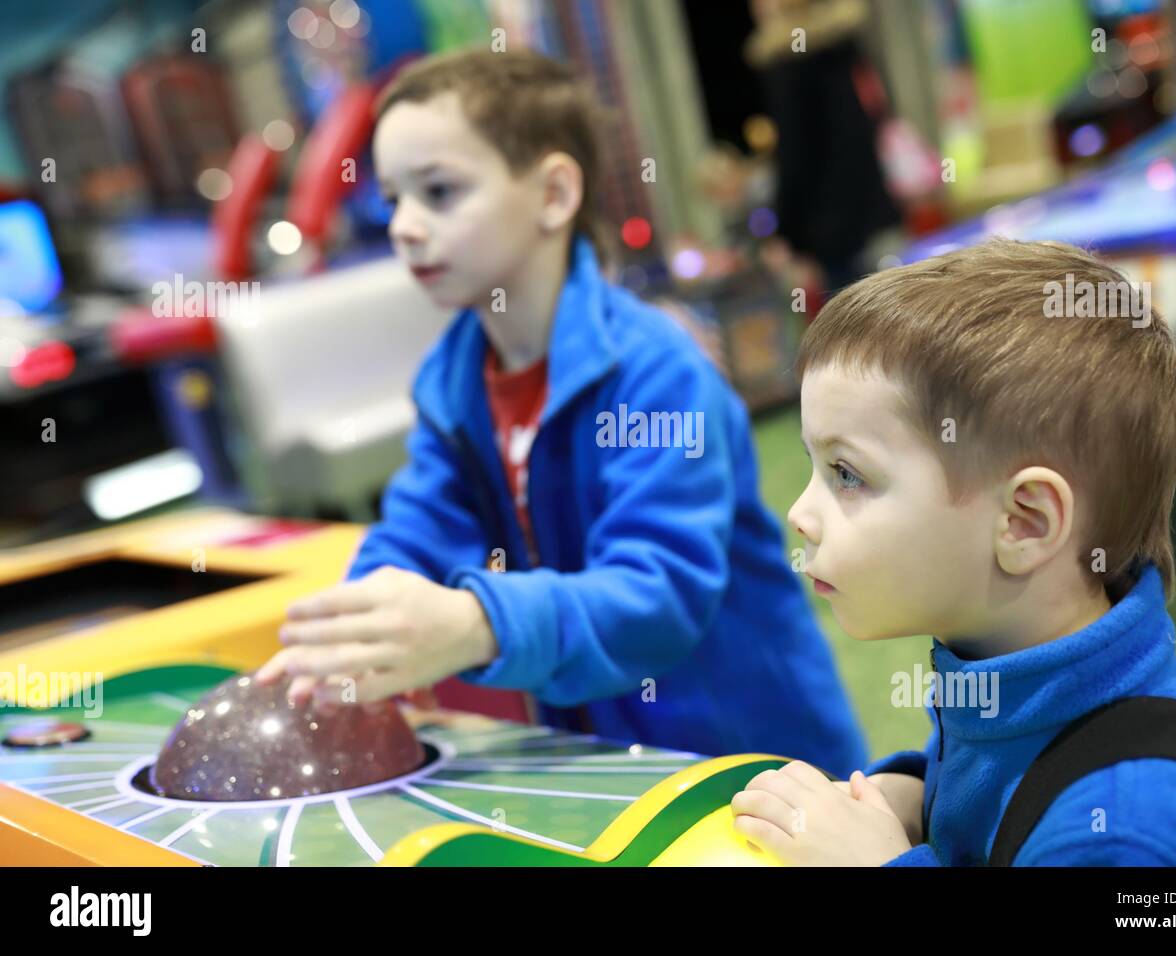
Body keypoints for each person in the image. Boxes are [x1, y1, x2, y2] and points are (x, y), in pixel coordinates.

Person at [256, 48, 867, 777]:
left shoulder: (654, 370)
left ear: (552, 194)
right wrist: (355, 630)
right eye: (393, 200)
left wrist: (477, 623)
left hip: (748, 762)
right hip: (605, 764)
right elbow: (419, 529)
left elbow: (658, 593)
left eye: (440, 192)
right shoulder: (454, 382)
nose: (405, 227)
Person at [732, 239, 1176, 865]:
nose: (799, 514)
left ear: (1025, 522)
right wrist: (918, 793)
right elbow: (1004, 790)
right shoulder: (1013, 674)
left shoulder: (1126, 832)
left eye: (847, 473)